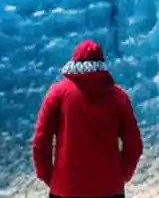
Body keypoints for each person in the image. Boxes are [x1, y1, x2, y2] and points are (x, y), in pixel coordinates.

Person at [32, 39, 143, 198]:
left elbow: (40, 143)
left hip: (65, 189)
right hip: (110, 190)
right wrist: (121, 176)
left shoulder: (57, 94)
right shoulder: (119, 96)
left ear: (74, 61)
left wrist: (50, 177)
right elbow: (134, 145)